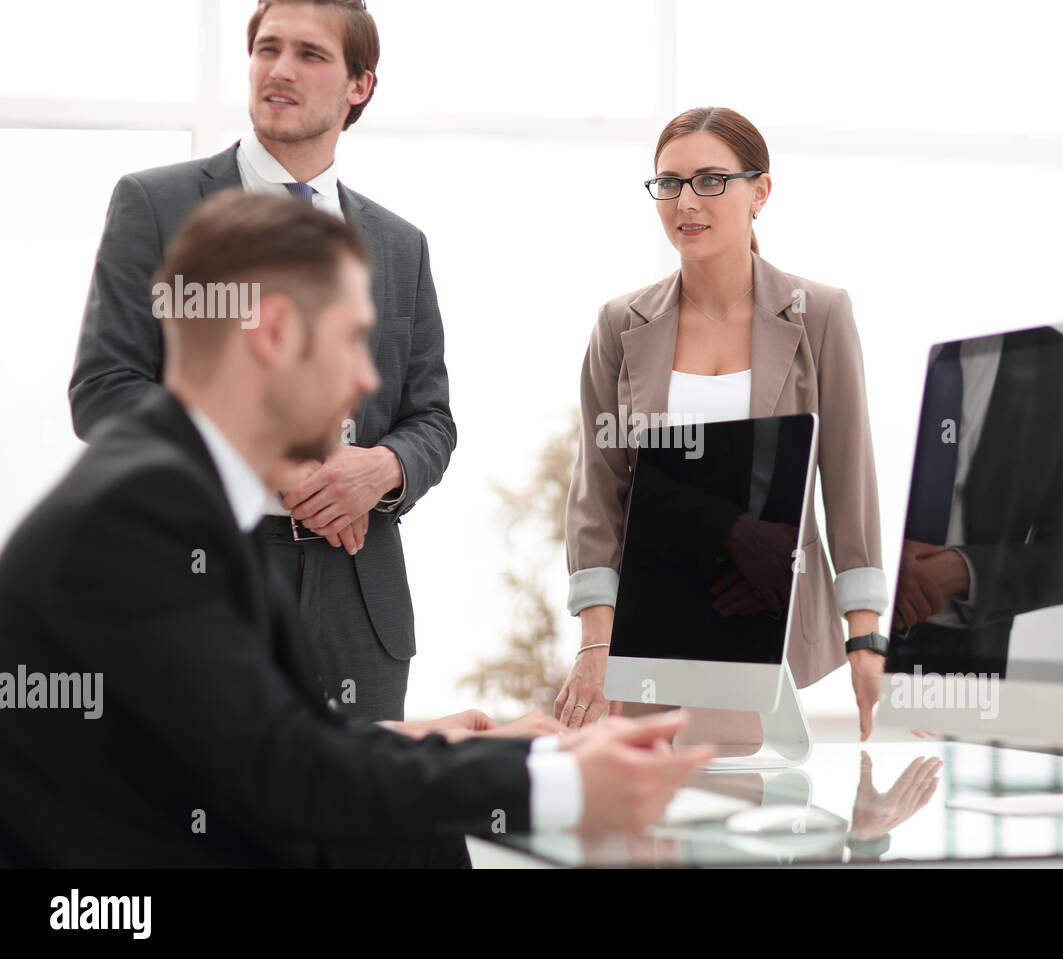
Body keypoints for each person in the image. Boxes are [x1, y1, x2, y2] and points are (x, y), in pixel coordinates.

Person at [0, 192, 712, 867]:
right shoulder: (149, 512)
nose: (369, 380)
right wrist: (557, 787)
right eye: (351, 340)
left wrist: (485, 748)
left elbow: (262, 738)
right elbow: (282, 775)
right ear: (275, 332)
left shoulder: (183, 487)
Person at [69, 0, 438, 722]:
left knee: (354, 821)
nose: (280, 70)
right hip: (203, 570)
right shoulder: (156, 204)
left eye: (310, 55)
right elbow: (105, 389)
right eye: (268, 49)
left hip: (360, 600)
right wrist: (271, 461)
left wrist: (382, 470)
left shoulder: (400, 244)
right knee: (203, 821)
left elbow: (431, 418)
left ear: (359, 85)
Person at [558, 107, 889, 740]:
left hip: (772, 624)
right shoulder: (619, 325)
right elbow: (598, 495)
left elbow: (851, 485)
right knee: (651, 826)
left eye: (711, 180)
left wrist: (865, 643)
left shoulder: (819, 314)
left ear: (760, 191)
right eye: (670, 182)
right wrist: (594, 643)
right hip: (650, 632)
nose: (687, 201)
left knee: (762, 811)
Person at [886, 328, 1063, 678]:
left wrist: (961, 571)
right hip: (842, 628)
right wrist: (878, 561)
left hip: (961, 662)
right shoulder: (869, 331)